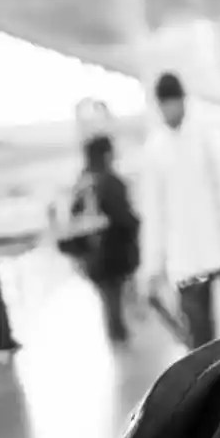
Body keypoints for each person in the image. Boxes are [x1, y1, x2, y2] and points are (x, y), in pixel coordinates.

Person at [137, 72, 220, 348]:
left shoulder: (212, 137)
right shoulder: (156, 150)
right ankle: (210, 383)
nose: (168, 110)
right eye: (163, 104)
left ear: (182, 101)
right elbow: (154, 214)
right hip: (187, 258)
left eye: (172, 102)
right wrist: (152, 266)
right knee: (200, 340)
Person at [73, 136, 140, 344]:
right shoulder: (109, 181)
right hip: (113, 252)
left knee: (108, 296)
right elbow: (123, 217)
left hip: (90, 253)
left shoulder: (83, 182)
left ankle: (116, 334)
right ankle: (119, 337)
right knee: (114, 295)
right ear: (106, 154)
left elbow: (74, 214)